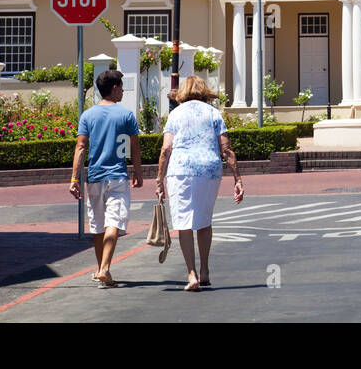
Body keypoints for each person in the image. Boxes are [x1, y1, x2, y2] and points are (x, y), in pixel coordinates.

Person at [156, 76, 243, 291]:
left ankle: (191, 274)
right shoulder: (213, 113)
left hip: (181, 170)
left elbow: (166, 149)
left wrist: (159, 179)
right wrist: (237, 178)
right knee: (204, 220)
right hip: (208, 169)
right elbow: (226, 149)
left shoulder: (175, 114)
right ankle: (205, 270)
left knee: (184, 222)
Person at [70, 69, 141, 287]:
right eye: (120, 86)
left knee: (98, 225)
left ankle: (101, 269)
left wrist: (74, 179)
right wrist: (138, 171)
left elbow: (81, 147)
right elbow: (135, 147)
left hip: (94, 176)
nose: (122, 90)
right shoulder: (126, 115)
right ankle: (105, 269)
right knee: (115, 222)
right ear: (114, 88)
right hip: (117, 176)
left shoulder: (88, 115)